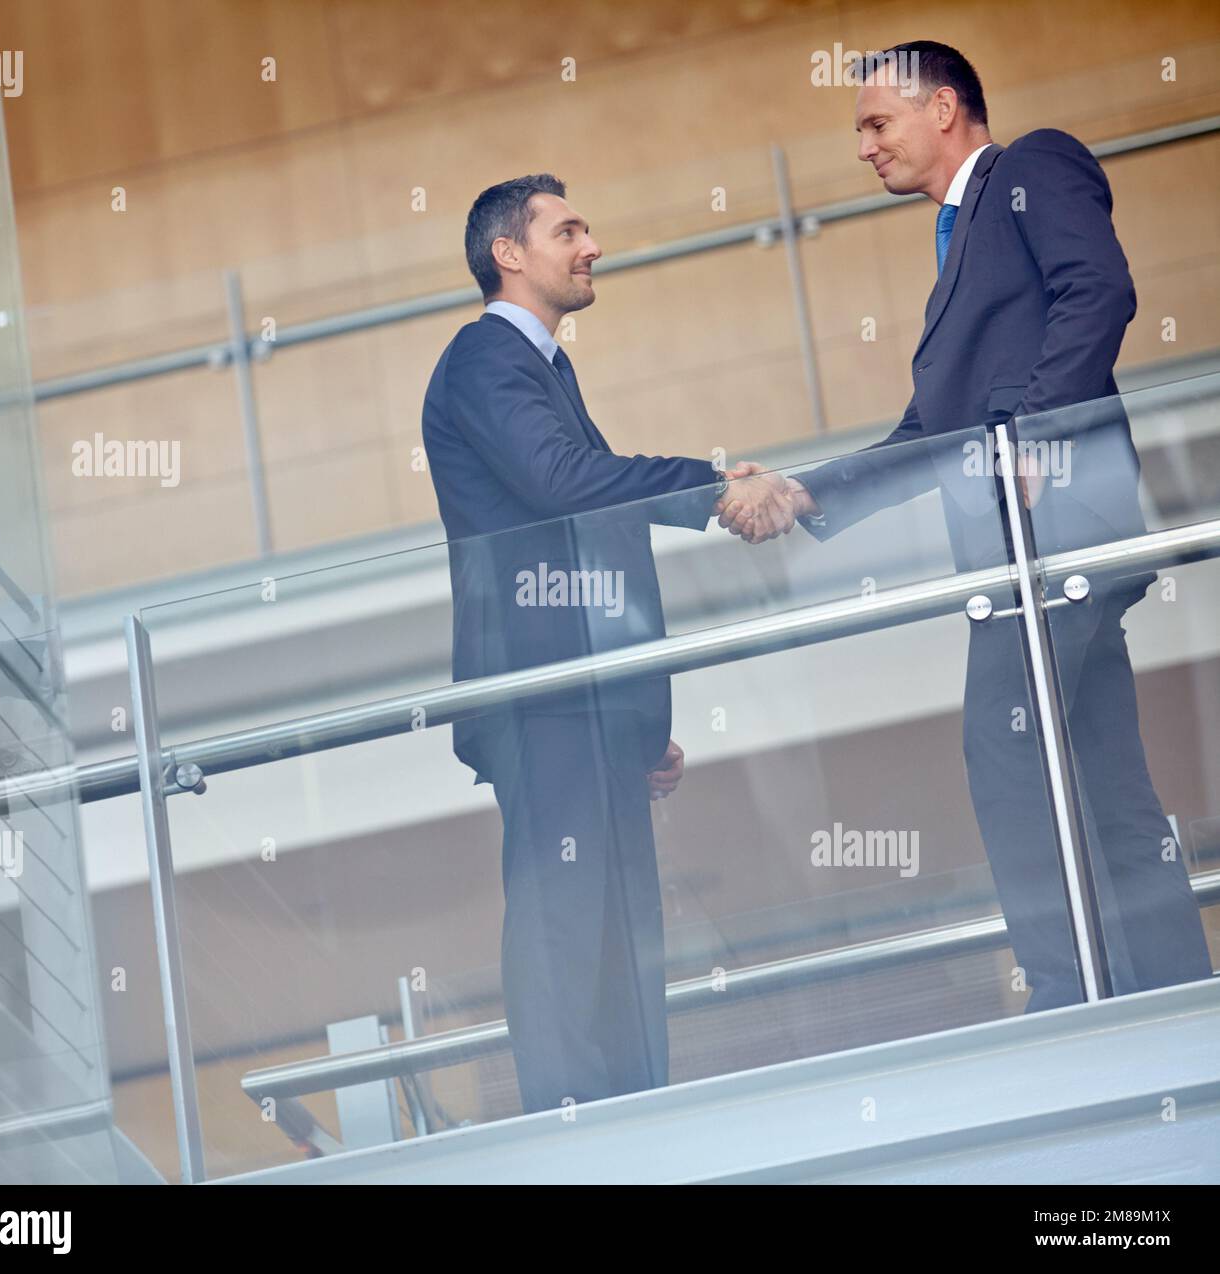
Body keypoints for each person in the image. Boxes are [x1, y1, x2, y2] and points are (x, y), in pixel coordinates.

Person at [741, 41, 1211, 1010]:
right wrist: (810, 491)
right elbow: (934, 431)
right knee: (1107, 780)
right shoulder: (956, 245)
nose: (864, 147)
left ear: (944, 107)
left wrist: (1040, 423)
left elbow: (1101, 290)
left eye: (876, 123)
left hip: (1052, 540)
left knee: (1001, 750)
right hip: (1021, 552)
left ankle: (1058, 989)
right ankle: (1170, 994)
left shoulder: (1030, 167)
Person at [421, 174, 792, 1112]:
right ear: (508, 253)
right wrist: (712, 487)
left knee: (621, 931)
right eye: (568, 230)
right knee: (566, 924)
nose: (592, 245)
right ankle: (575, 1141)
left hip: (585, 705)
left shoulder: (542, 368)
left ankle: (635, 1123)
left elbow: (580, 517)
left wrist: (630, 720)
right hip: (545, 702)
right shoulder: (484, 359)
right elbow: (563, 483)